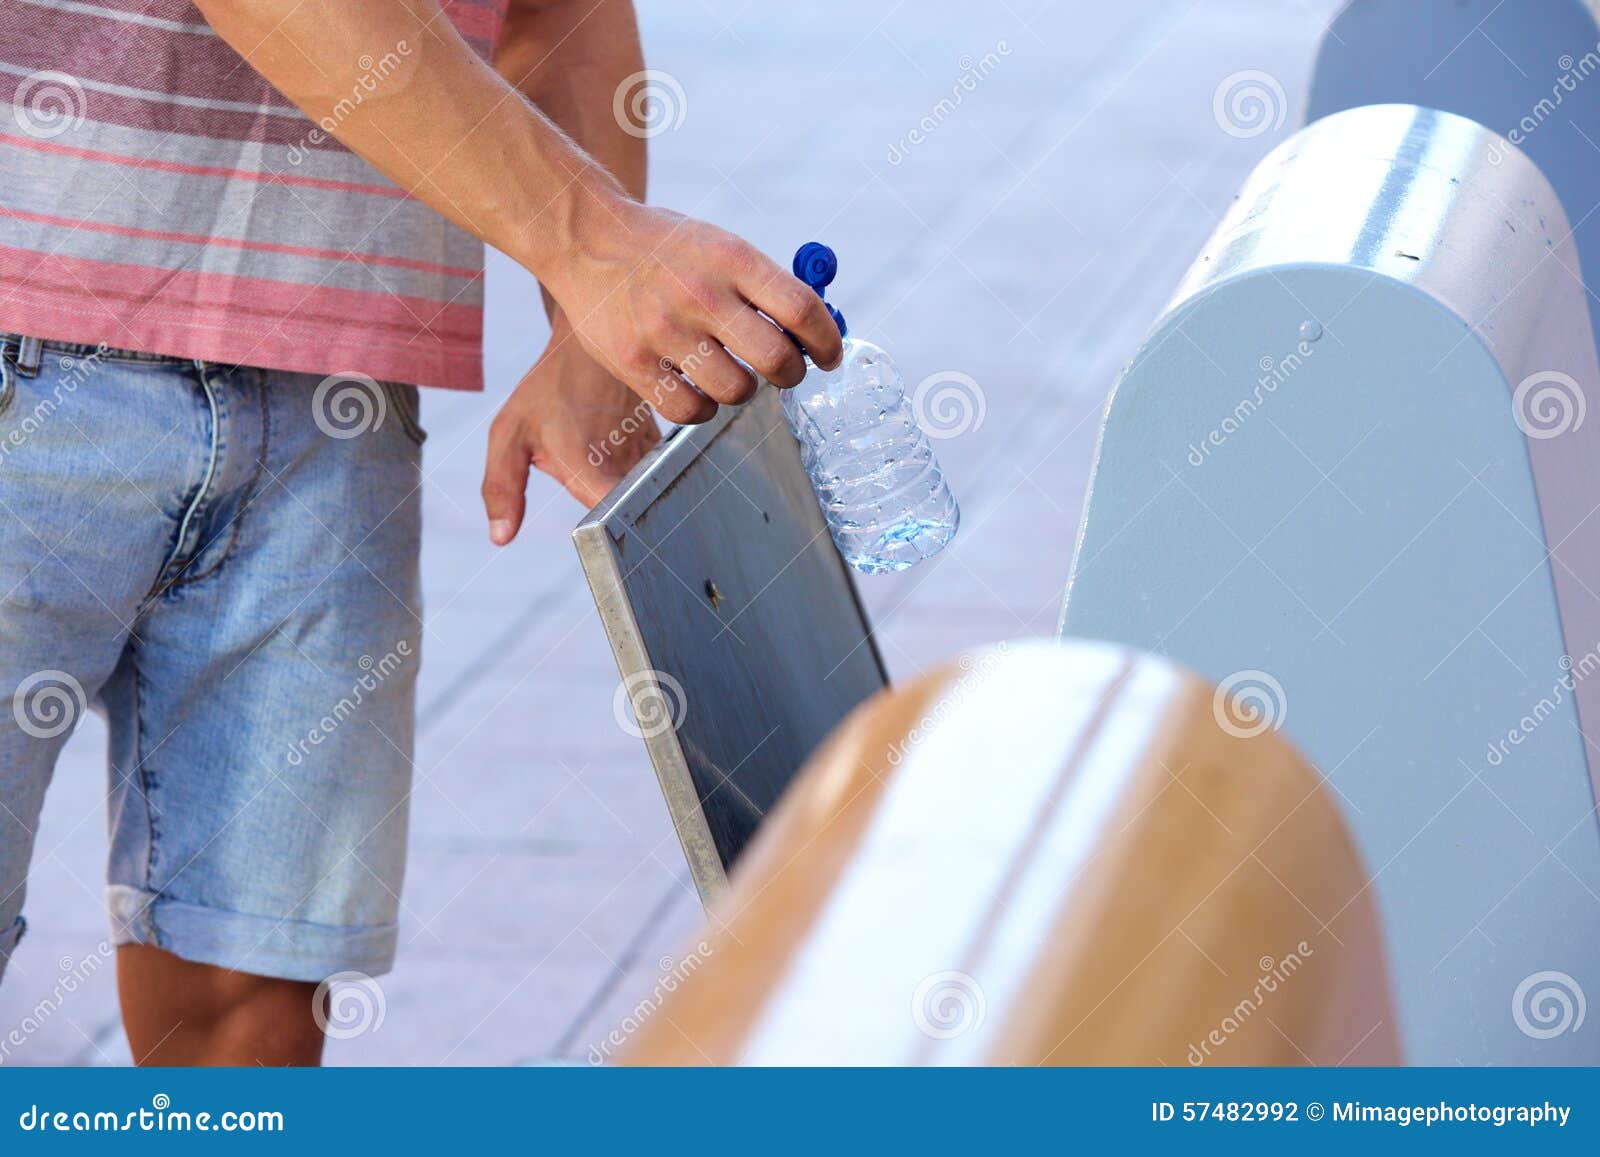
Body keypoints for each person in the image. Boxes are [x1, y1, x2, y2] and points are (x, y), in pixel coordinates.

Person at [0, 0, 842, 1066]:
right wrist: (590, 239)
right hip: (27, 309)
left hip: (339, 372)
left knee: (252, 990)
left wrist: (583, 320)